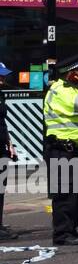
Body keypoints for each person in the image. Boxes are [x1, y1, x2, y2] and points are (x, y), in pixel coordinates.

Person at [43, 55, 78, 247]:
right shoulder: (59, 90)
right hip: (60, 149)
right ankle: (61, 234)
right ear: (72, 74)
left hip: (70, 149)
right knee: (64, 195)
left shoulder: (72, 90)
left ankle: (70, 229)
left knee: (75, 195)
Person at [0, 61, 16, 241]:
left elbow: (2, 123)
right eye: (0, 75)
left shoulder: (1, 95)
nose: (3, 78)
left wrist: (9, 142)